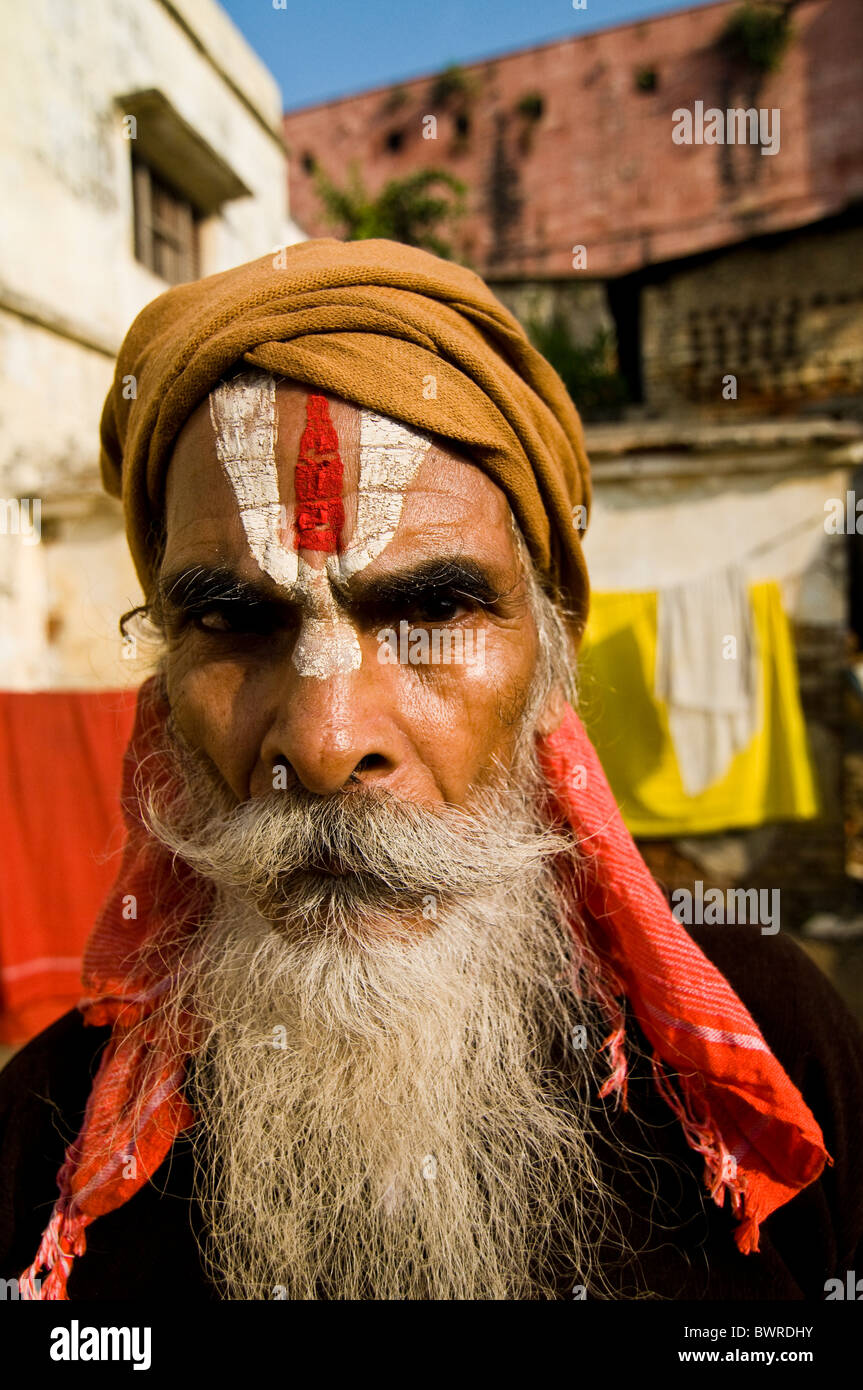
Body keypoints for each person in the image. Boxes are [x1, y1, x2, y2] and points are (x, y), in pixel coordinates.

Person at [1, 239, 861, 1301]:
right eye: (232, 621)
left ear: (549, 658)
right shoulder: (35, 1147)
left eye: (431, 610)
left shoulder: (766, 1048)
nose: (321, 744)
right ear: (163, 687)